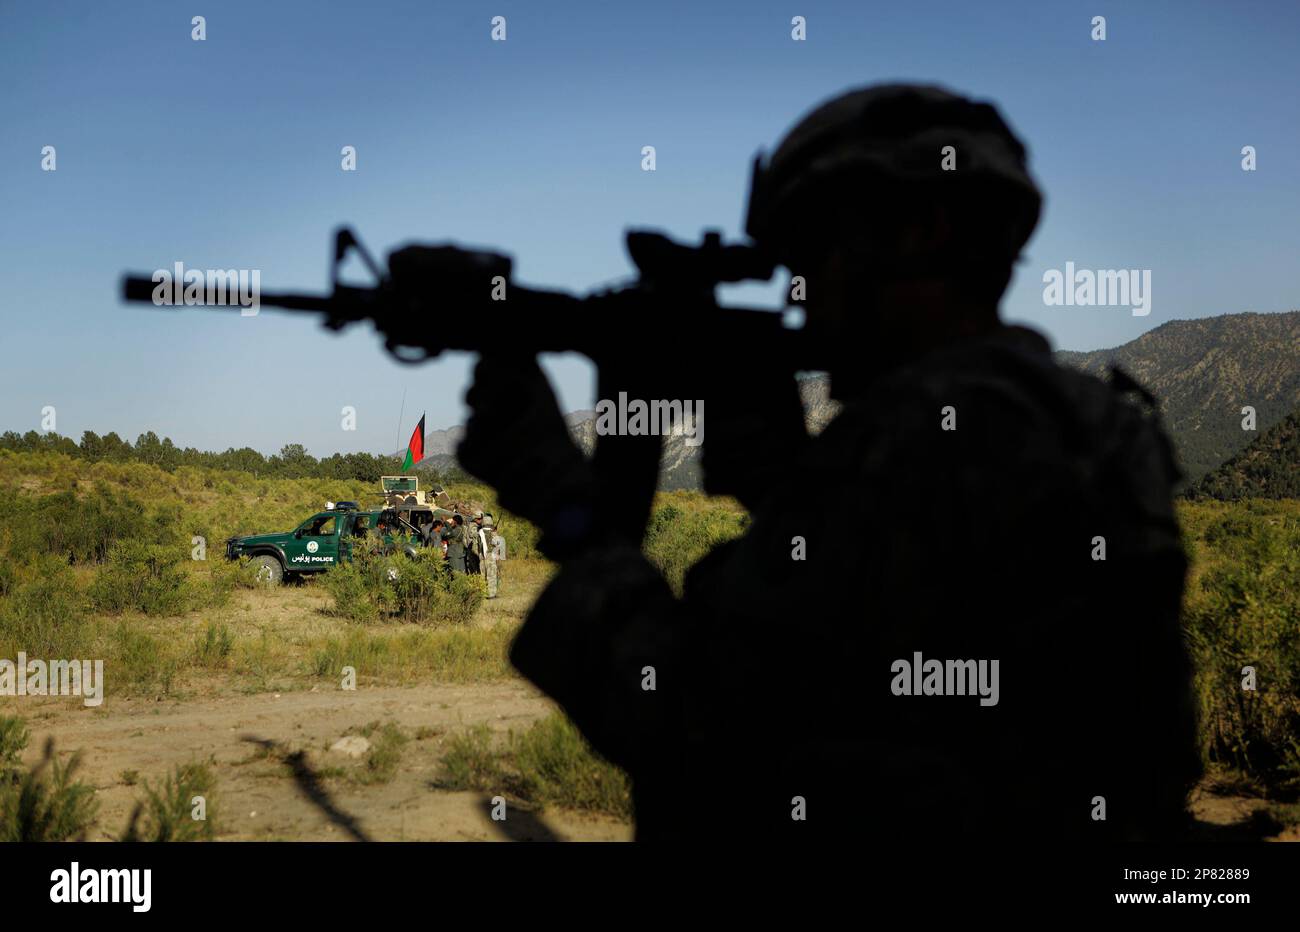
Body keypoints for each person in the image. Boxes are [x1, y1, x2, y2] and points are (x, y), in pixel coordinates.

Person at [454, 84, 1200, 842]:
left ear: (925, 229)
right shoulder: (1079, 414)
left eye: (816, 249)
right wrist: (784, 487)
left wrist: (568, 507)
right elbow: (885, 653)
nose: (800, 296)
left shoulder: (944, 429)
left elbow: (693, 724)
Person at [478, 515, 501, 599]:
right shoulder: (492, 532)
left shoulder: (479, 532)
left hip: (481, 555)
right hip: (490, 555)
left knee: (483, 575)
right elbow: (497, 543)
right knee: (491, 575)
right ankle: (491, 594)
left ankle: (483, 593)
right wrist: (495, 533)